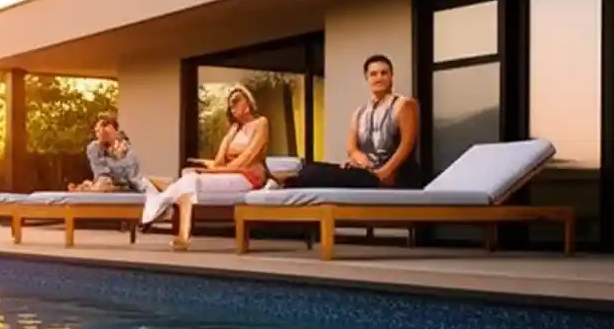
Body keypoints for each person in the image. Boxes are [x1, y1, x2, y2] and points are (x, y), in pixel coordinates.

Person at [141, 84, 269, 249]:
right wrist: (205, 164)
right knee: (189, 177)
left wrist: (214, 171)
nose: (233, 107)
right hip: (229, 174)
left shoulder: (261, 123)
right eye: (230, 104)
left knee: (189, 181)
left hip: (249, 177)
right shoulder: (234, 129)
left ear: (248, 103)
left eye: (237, 101)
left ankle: (159, 205)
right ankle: (182, 234)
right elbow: (219, 161)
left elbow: (248, 158)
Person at [282, 54, 421, 189]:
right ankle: (282, 183)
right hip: (365, 172)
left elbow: (407, 144)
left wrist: (385, 172)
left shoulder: (404, 104)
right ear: (367, 78)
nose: (379, 78)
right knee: (309, 169)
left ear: (391, 77)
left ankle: (282, 183)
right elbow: (351, 148)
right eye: (373, 74)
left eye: (384, 73)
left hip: (393, 175)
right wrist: (358, 158)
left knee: (313, 175)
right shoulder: (360, 112)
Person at [70, 113, 149, 192]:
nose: (102, 131)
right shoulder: (94, 148)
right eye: (98, 130)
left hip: (126, 190)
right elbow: (102, 174)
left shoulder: (129, 153)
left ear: (115, 130)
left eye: (105, 125)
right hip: (105, 187)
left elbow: (133, 179)